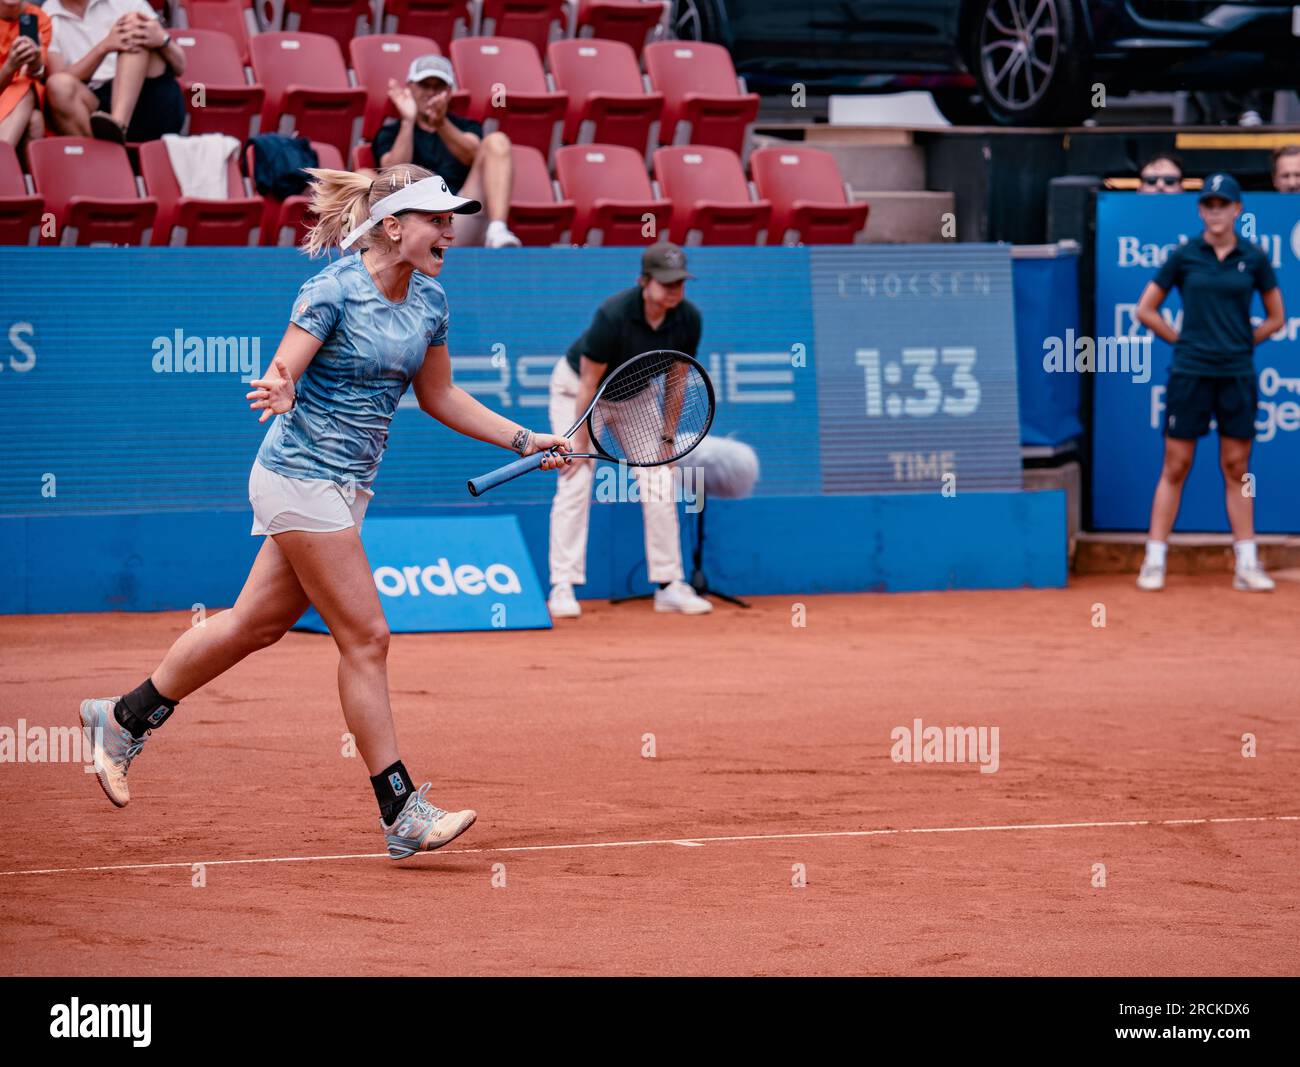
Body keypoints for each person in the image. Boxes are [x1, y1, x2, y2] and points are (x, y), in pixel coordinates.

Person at [78, 163, 572, 860]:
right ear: (393, 225)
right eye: (434, 218)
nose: (448, 230)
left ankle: (121, 717)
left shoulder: (430, 301)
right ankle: (399, 809)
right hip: (296, 477)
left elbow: (441, 397)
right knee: (367, 636)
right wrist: (281, 385)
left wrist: (528, 438)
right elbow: (287, 361)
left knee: (254, 624)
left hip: (346, 487)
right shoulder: (333, 287)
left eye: (450, 217)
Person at [1134, 173, 1286, 593]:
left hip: (1236, 374)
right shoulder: (1184, 255)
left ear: (1238, 210)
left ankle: (1247, 563)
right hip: (1190, 372)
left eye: (1224, 204)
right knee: (1175, 464)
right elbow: (1145, 310)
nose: (1216, 211)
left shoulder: (1254, 258)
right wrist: (1182, 341)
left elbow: (1277, 318)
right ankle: (1154, 559)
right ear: (1201, 210)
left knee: (1238, 467)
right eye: (1209, 204)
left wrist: (1241, 342)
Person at [547, 241, 712, 618]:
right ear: (644, 281)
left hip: (635, 396)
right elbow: (589, 383)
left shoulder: (689, 319)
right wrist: (578, 445)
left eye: (680, 283)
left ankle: (669, 585)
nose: (674, 290)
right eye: (666, 282)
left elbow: (678, 380)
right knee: (575, 479)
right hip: (579, 390)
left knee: (659, 480)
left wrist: (668, 441)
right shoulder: (614, 314)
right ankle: (563, 585)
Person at [372, 55, 521, 249]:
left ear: (449, 92)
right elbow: (392, 174)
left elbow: (472, 155)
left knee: (497, 141)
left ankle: (497, 230)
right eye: (425, 85)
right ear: (411, 88)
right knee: (365, 176)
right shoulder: (392, 132)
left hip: (459, 220)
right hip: (410, 225)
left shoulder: (466, 126)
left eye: (439, 87)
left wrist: (441, 123)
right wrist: (408, 122)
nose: (431, 93)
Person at [43, 0, 185, 143]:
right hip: (96, 103)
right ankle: (106, 153)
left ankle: (118, 125)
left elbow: (181, 67)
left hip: (151, 96)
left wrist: (163, 40)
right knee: (58, 85)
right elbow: (57, 79)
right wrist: (104, 47)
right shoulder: (48, 13)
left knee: (134, 33)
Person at [0, 0, 50, 148]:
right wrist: (9, 68)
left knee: (27, 88)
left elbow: (37, 74)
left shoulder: (39, 18)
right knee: (34, 118)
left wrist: (35, 61)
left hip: (20, 102)